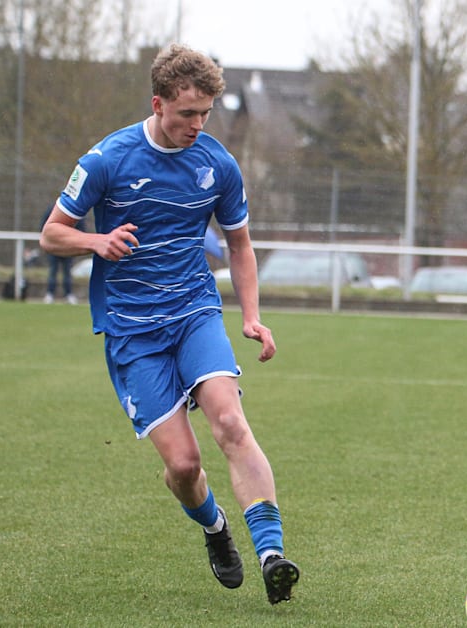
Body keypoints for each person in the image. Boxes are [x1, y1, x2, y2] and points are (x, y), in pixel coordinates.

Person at [38, 44, 299, 605]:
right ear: (158, 104)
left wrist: (251, 316)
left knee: (229, 420)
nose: (197, 125)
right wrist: (95, 240)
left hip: (194, 312)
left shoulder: (216, 163)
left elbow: (240, 244)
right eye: (187, 114)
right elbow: (51, 233)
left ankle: (272, 553)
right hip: (132, 331)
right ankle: (214, 527)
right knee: (184, 465)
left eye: (206, 113)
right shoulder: (108, 159)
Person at [39, 203, 84, 304]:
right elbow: (44, 226)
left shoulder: (76, 209)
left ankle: (68, 294)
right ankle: (50, 293)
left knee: (67, 272)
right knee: (53, 271)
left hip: (68, 247)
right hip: (54, 247)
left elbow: (81, 228)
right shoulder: (52, 209)